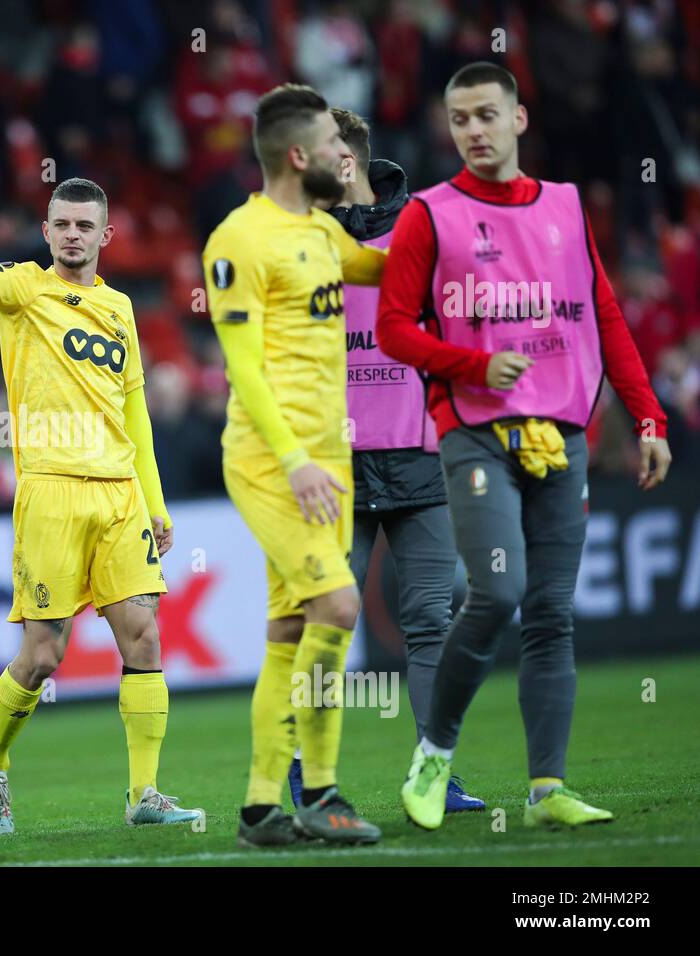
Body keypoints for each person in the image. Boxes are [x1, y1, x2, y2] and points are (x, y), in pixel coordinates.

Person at [381, 63, 672, 830]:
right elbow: (393, 330)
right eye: (459, 120)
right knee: (499, 594)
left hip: (562, 435)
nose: (473, 131)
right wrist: (473, 365)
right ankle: (434, 755)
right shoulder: (427, 215)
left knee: (551, 610)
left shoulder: (567, 209)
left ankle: (547, 791)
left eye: (486, 115)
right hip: (475, 435)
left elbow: (604, 316)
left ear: (519, 120)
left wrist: (648, 420)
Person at [0, 150, 202, 835]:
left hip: (119, 495)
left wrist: (156, 502)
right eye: (62, 224)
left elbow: (134, 412)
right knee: (44, 654)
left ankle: (144, 793)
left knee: (142, 634)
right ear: (46, 232)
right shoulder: (20, 289)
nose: (73, 234)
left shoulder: (120, 308)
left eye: (85, 224)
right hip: (49, 491)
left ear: (106, 235)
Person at [202, 83, 386, 848]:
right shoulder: (238, 241)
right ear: (297, 154)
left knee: (290, 624)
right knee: (339, 608)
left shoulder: (318, 229)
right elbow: (242, 368)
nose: (345, 154)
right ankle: (323, 791)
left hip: (329, 458)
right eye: (331, 143)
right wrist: (295, 460)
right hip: (272, 460)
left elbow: (384, 266)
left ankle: (258, 810)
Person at [309, 106, 485, 814]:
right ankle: (304, 778)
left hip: (419, 455)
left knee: (430, 620)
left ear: (344, 162)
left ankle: (436, 772)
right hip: (331, 466)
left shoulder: (427, 228)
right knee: (321, 624)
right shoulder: (294, 240)